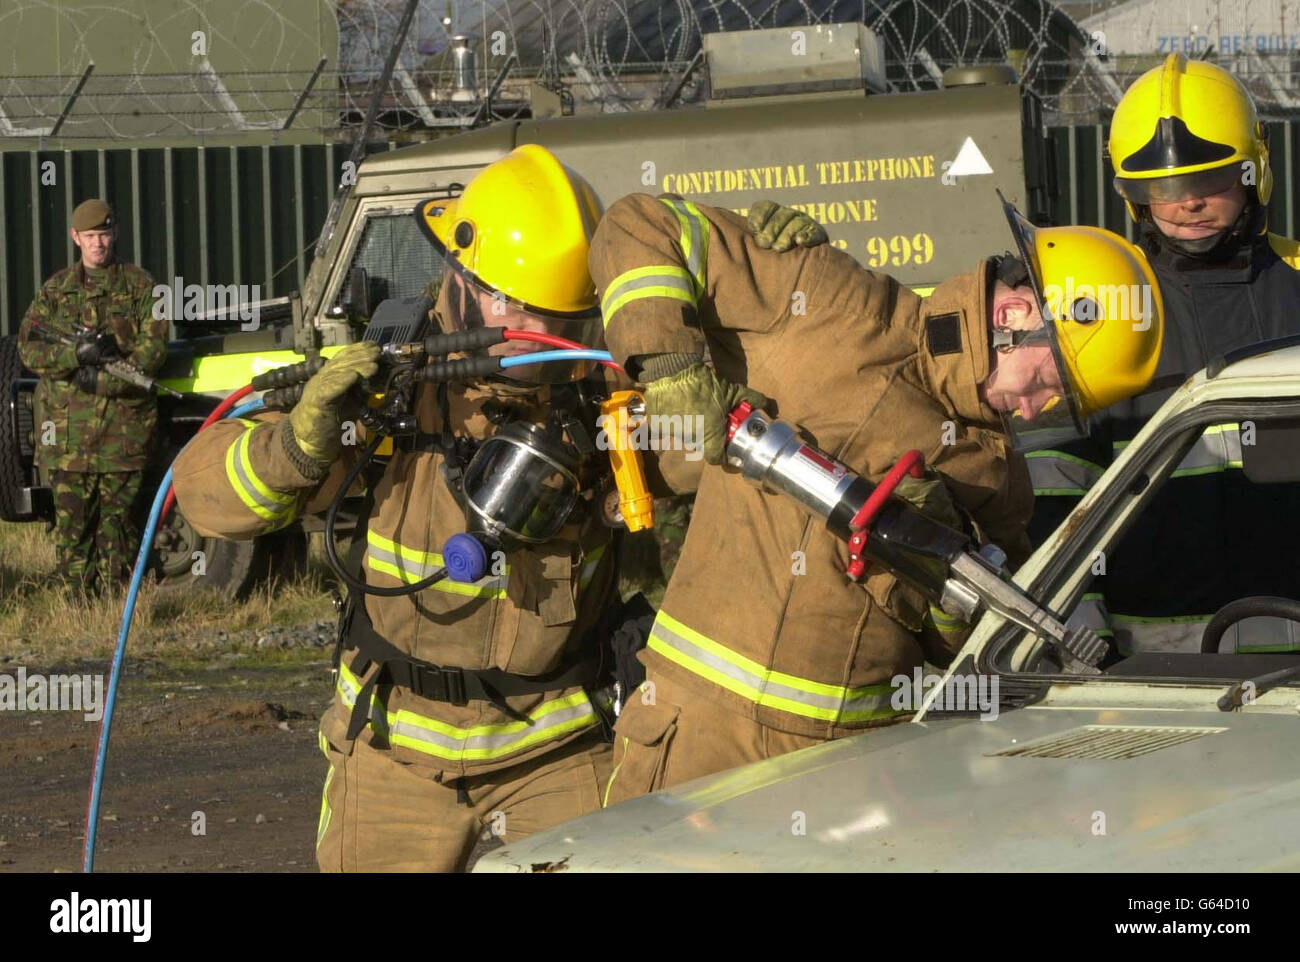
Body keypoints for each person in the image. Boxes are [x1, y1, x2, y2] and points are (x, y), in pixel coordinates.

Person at [171, 144, 817, 871]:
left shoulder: (604, 398)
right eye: (520, 309)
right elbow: (205, 497)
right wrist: (295, 445)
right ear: (466, 279)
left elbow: (749, 432)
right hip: (395, 750)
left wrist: (775, 295)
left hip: (562, 749)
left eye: (565, 320)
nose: (539, 338)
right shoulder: (387, 390)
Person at [590, 189, 1165, 805]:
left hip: (849, 773)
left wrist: (939, 568)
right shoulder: (825, 297)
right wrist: (672, 368)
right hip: (697, 734)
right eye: (1049, 384)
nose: (1034, 410)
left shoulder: (991, 478)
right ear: (1018, 314)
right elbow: (642, 225)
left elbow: (975, 651)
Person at [1026, 53, 1300, 656]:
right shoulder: (1101, 310)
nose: (1186, 203)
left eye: (1209, 181)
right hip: (1157, 675)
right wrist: (1082, 653)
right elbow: (1056, 493)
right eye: (1161, 189)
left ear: (1256, 171)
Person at [17, 199, 166, 597]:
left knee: (119, 529)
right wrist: (75, 357)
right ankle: (77, 607)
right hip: (70, 439)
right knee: (73, 531)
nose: (97, 244)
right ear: (75, 238)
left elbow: (153, 352)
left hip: (124, 435)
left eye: (103, 234)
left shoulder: (142, 287)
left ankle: (117, 611)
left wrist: (102, 378)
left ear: (115, 234)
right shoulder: (55, 291)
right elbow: (29, 349)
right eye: (89, 237)